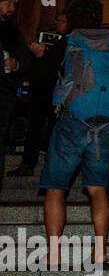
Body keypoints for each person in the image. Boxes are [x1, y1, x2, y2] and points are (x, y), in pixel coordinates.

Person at [40, 0, 109, 270]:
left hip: (72, 121)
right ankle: (100, 250)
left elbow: (46, 78)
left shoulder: (68, 42)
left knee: (55, 187)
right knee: (97, 187)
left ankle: (54, 252)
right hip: (103, 122)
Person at [11, 12, 68, 177]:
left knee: (54, 129)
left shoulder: (69, 42)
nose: (58, 23)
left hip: (57, 92)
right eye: (57, 20)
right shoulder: (53, 39)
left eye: (62, 21)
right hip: (40, 91)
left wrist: (44, 54)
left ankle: (50, 166)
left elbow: (57, 64)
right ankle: (28, 163)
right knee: (34, 127)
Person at [0, 0, 32, 189]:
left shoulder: (12, 30)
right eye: (8, 3)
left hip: (4, 89)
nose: (12, 8)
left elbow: (25, 59)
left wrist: (16, 64)